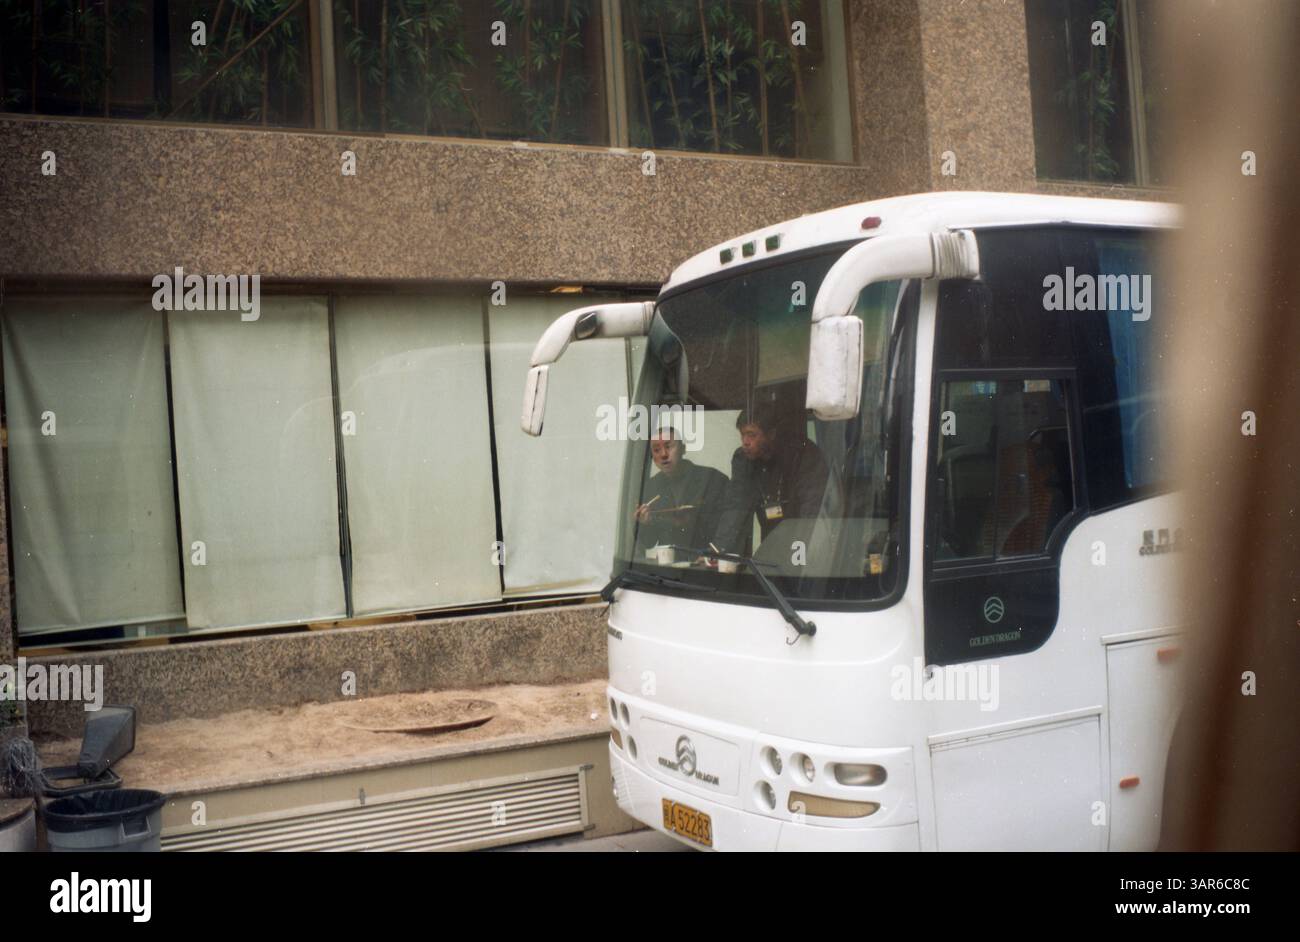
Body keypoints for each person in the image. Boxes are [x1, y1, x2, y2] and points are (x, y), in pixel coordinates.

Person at [708, 405, 829, 557]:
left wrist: (806, 552)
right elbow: (736, 506)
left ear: (771, 434)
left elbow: (813, 508)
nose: (745, 442)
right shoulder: (743, 459)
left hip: (804, 546)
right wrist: (718, 549)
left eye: (751, 435)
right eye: (742, 434)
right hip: (771, 545)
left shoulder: (803, 454)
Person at [634, 427, 729, 554]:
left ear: (683, 449)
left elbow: (727, 531)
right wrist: (643, 524)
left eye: (668, 446)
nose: (663, 454)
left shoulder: (713, 479)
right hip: (669, 566)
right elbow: (648, 543)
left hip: (706, 563)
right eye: (656, 450)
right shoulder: (651, 486)